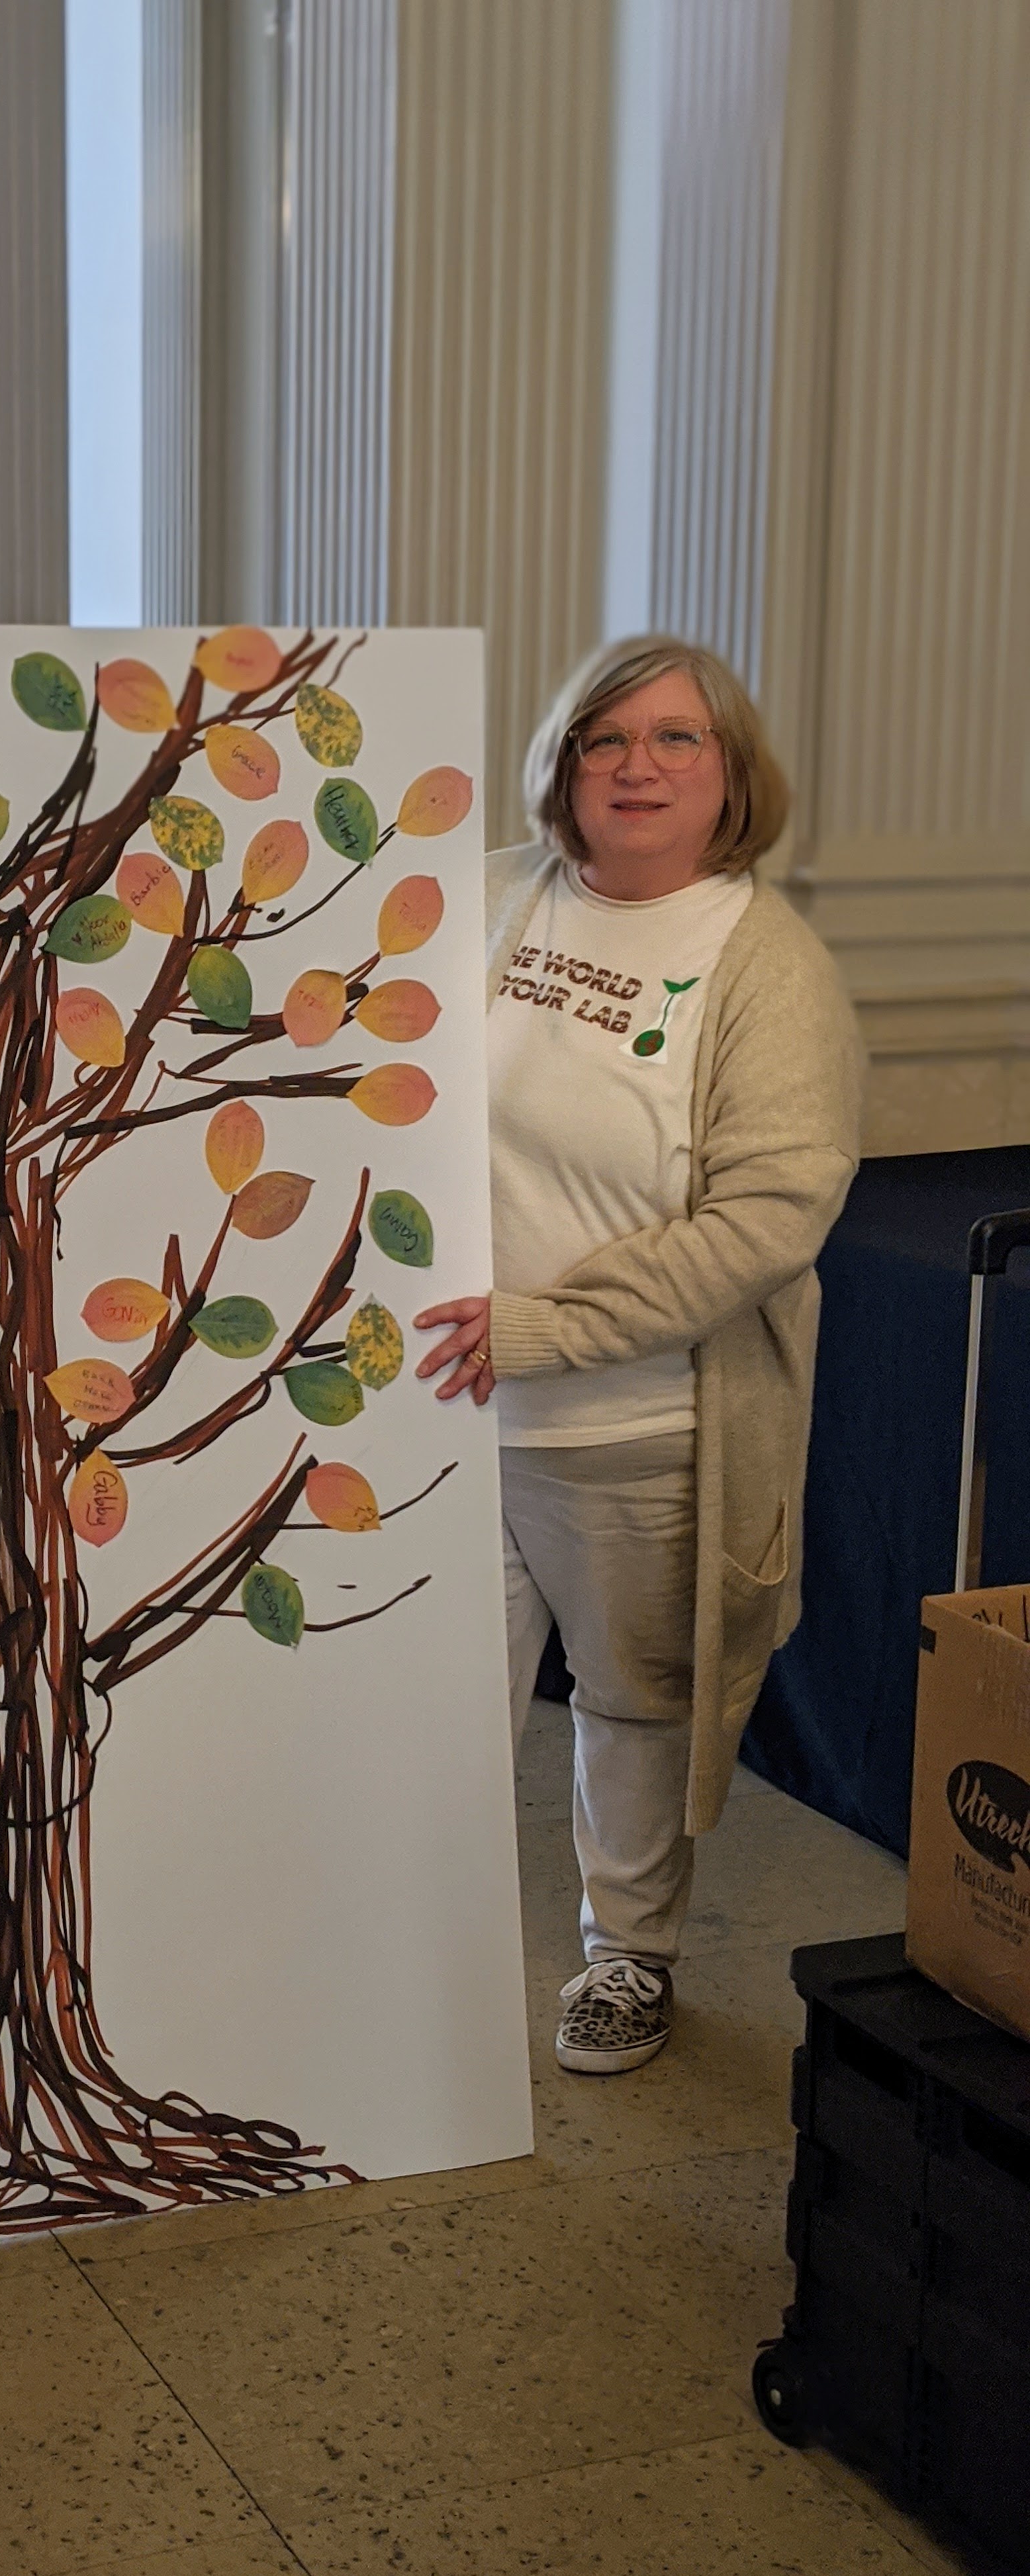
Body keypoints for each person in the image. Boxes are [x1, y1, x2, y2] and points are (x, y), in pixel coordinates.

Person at [414, 635, 863, 2077]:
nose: (637, 766)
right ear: (563, 764)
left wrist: (547, 1329)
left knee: (633, 1707)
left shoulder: (763, 963)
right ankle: (412, 1954)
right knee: (430, 1711)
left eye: (677, 740)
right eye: (606, 738)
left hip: (634, 1421)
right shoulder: (483, 893)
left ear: (732, 774)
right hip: (432, 1412)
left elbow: (770, 1220)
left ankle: (630, 1957)